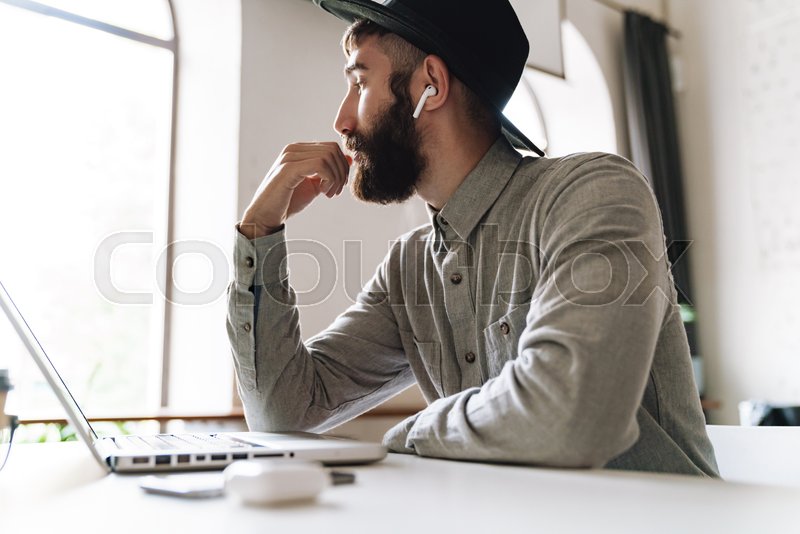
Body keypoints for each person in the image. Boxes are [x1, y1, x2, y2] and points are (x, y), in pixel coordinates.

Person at [226, 0, 719, 475]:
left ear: (431, 85)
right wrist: (259, 230)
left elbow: (570, 416)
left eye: (359, 83)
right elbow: (283, 413)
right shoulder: (409, 269)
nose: (342, 121)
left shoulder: (594, 193)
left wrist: (412, 434)